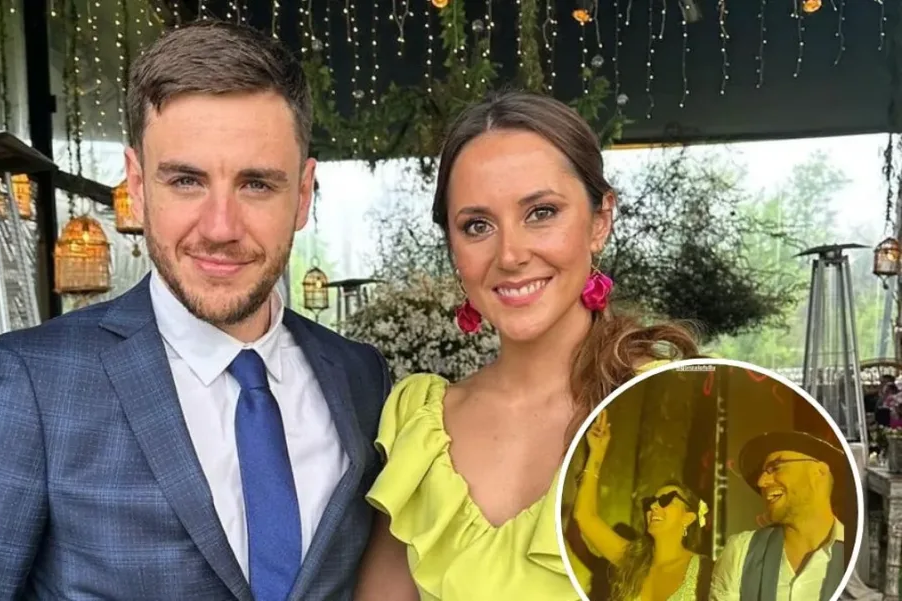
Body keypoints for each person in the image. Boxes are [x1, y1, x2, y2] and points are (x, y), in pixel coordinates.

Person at [0, 20, 391, 601]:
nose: (220, 228)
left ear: (302, 194)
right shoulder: (34, 385)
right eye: (186, 181)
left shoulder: (360, 379)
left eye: (256, 184)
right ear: (139, 185)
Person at [354, 91, 700, 600]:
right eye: (477, 226)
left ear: (600, 220)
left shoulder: (677, 403)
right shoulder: (420, 424)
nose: (511, 255)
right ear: (453, 247)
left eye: (541, 212)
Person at [574, 410, 712, 600]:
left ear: (688, 517)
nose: (654, 507)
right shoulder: (633, 560)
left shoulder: (706, 572)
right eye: (650, 502)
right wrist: (596, 453)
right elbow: (584, 516)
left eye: (666, 500)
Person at [709, 431, 852, 601]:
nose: (761, 482)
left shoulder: (857, 557)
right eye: (763, 472)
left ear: (819, 472)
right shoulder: (740, 552)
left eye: (775, 468)